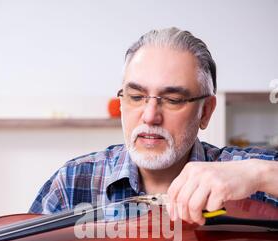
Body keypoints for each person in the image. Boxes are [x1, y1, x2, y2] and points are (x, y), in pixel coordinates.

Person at [29, 27, 278, 225]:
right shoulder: (73, 182)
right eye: (136, 97)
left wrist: (260, 175)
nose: (149, 116)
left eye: (172, 100)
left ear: (206, 111)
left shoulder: (245, 177)